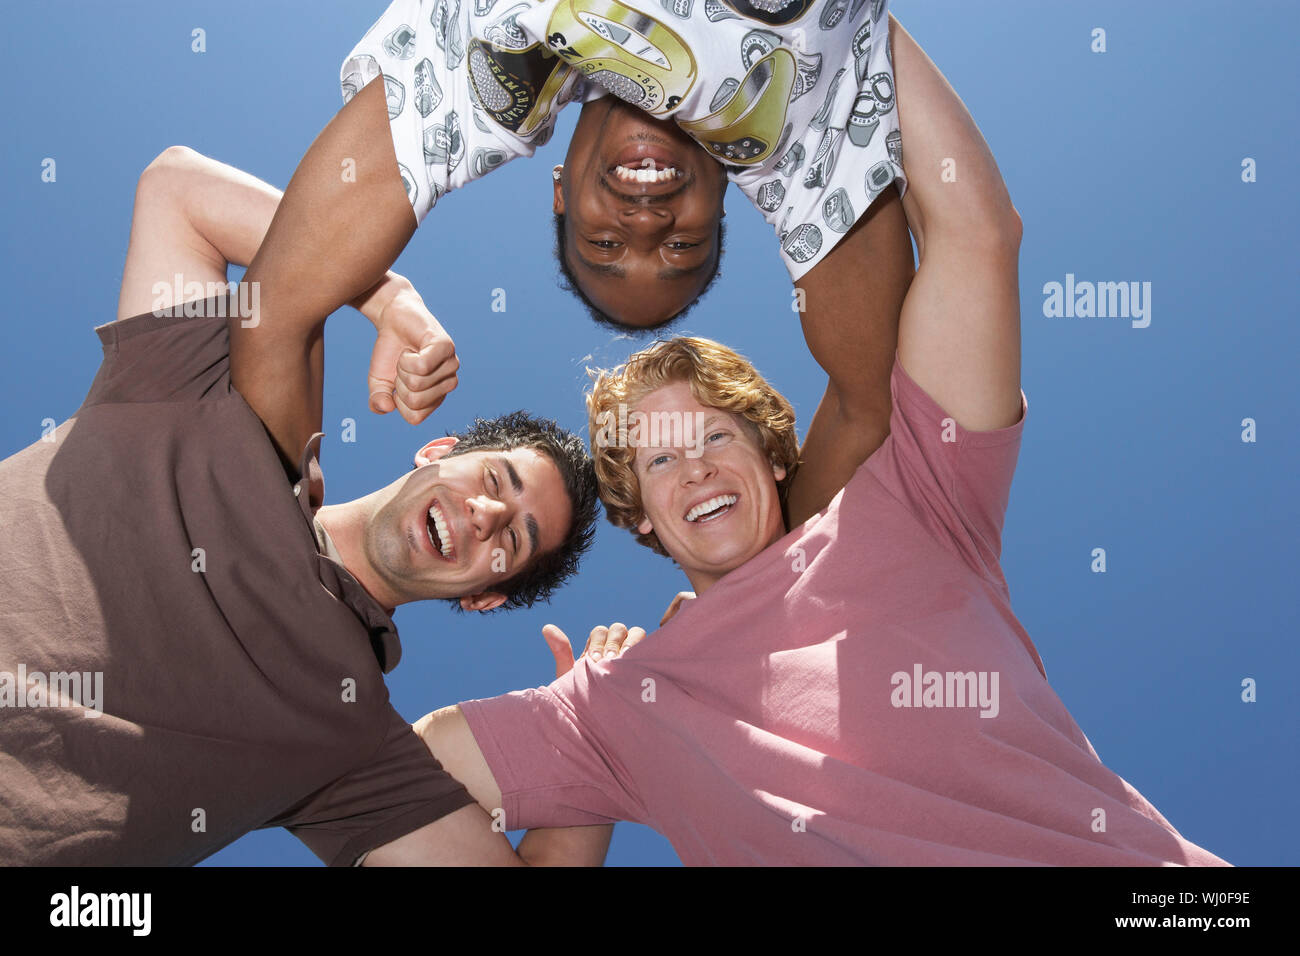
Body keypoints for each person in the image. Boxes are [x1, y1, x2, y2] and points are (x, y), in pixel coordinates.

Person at [395, 16, 1232, 865]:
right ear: (639, 516)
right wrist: (579, 781)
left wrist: (842, 24)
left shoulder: (914, 504)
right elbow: (393, 781)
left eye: (715, 436)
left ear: (773, 453)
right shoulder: (620, 704)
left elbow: (978, 235)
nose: (695, 469)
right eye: (659, 459)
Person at [0, 146, 600, 866]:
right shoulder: (200, 395)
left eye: (514, 541)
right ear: (437, 452)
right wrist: (388, 297)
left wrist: (591, 730)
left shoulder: (350, 743)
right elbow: (177, 192)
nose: (487, 515)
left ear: (482, 598)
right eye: (497, 481)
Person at [235, 0, 908, 420]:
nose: (645, 227)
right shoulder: (798, 139)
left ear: (562, 192)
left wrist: (291, 550)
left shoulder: (492, 78)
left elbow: (273, 317)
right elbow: (871, 403)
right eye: (682, 250)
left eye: (604, 246)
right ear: (726, 201)